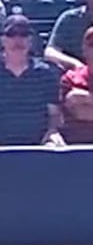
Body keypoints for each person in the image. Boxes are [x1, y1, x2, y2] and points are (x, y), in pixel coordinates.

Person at [0, 15, 65, 147]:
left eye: (23, 35)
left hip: (39, 147)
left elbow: (54, 114)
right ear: (2, 40)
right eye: (11, 35)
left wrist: (52, 132)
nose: (18, 40)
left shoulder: (46, 73)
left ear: (31, 41)